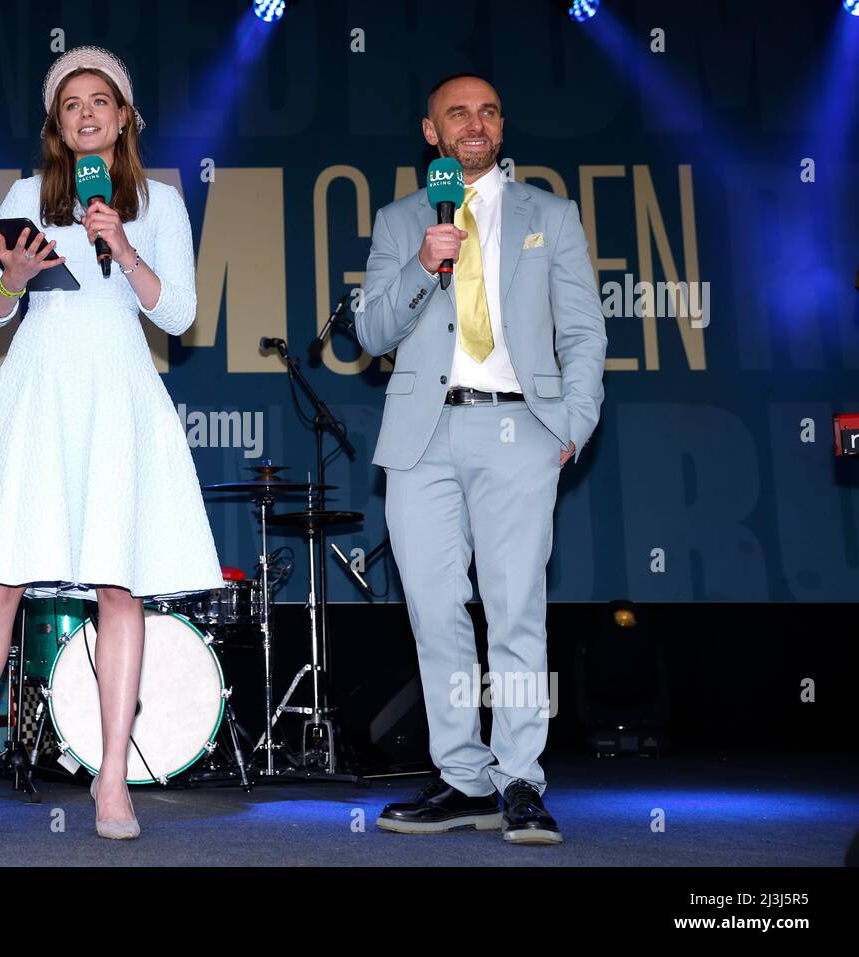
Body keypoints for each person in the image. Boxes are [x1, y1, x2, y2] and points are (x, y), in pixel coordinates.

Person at [0, 45, 223, 840]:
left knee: (120, 587)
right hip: (40, 387)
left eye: (100, 102)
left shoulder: (157, 202)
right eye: (71, 105)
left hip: (117, 390)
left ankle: (112, 779)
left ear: (124, 118)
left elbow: (179, 315)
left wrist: (122, 245)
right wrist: (11, 277)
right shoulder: (26, 193)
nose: (86, 114)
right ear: (58, 124)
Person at [356, 73, 607, 844]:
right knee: (434, 614)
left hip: (518, 431)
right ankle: (464, 778)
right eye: (457, 113)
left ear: (502, 126)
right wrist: (423, 266)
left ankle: (521, 780)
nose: (475, 123)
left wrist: (572, 423)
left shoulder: (551, 214)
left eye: (489, 111)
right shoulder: (403, 221)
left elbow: (584, 332)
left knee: (515, 611)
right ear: (431, 132)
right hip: (422, 438)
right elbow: (369, 333)